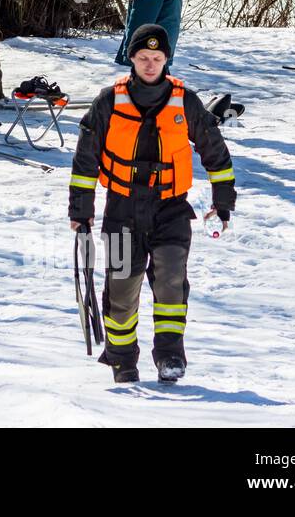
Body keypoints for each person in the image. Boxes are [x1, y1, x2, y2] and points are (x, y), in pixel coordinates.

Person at [68, 24, 236, 384]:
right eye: (143, 57)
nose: (149, 64)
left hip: (170, 209)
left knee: (171, 282)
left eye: (157, 58)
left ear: (166, 60)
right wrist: (80, 211)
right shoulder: (107, 102)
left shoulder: (185, 101)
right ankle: (121, 360)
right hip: (121, 209)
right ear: (132, 58)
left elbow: (215, 151)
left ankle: (170, 356)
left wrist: (222, 201)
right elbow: (85, 160)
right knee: (121, 289)